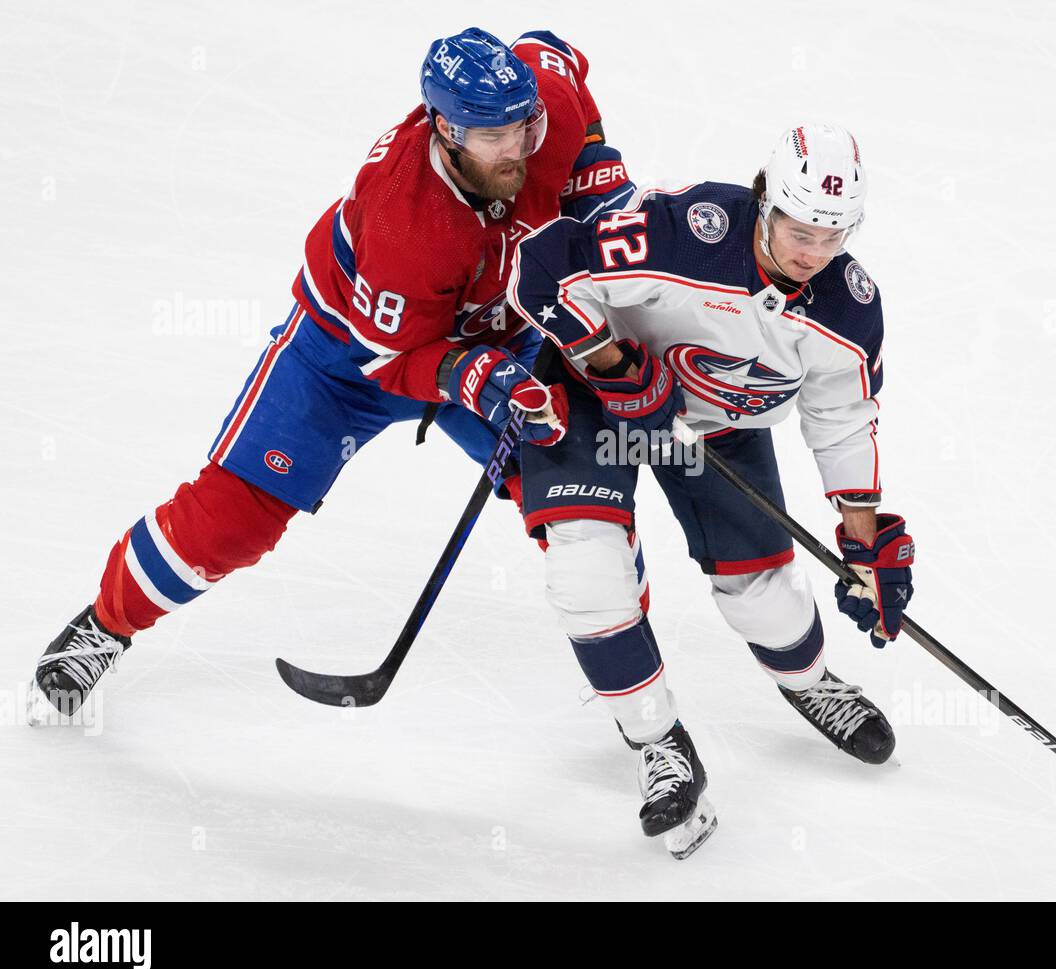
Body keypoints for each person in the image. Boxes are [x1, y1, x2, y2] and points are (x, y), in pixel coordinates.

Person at [30, 27, 636, 721]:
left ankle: (641, 704)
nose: (519, 147)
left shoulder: (541, 104)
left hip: (501, 336)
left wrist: (594, 164)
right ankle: (106, 625)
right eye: (494, 136)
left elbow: (555, 52)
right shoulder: (406, 220)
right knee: (233, 521)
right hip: (348, 359)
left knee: (584, 506)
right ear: (446, 130)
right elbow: (394, 359)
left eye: (524, 126)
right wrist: (471, 378)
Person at [506, 124, 915, 857]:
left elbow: (842, 417)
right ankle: (657, 743)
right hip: (596, 402)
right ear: (765, 202)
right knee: (586, 574)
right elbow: (542, 267)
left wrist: (863, 540)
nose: (813, 253)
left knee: (766, 596)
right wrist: (611, 363)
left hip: (721, 426)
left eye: (833, 236)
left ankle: (810, 681)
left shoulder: (850, 307)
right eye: (800, 231)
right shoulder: (681, 234)